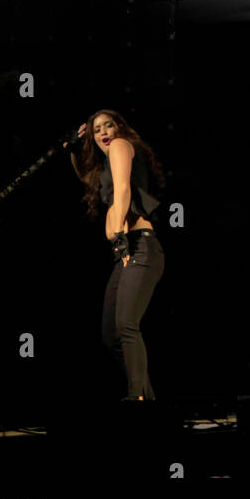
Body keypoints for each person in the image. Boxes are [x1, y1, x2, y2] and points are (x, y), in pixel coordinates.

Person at [66, 110, 166, 401]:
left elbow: (122, 190)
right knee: (112, 334)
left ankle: (137, 400)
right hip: (126, 251)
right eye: (97, 129)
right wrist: (74, 150)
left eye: (108, 125)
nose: (103, 132)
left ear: (119, 128)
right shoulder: (105, 167)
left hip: (138, 246)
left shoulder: (121, 145)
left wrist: (120, 236)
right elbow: (89, 180)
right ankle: (147, 398)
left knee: (126, 326)